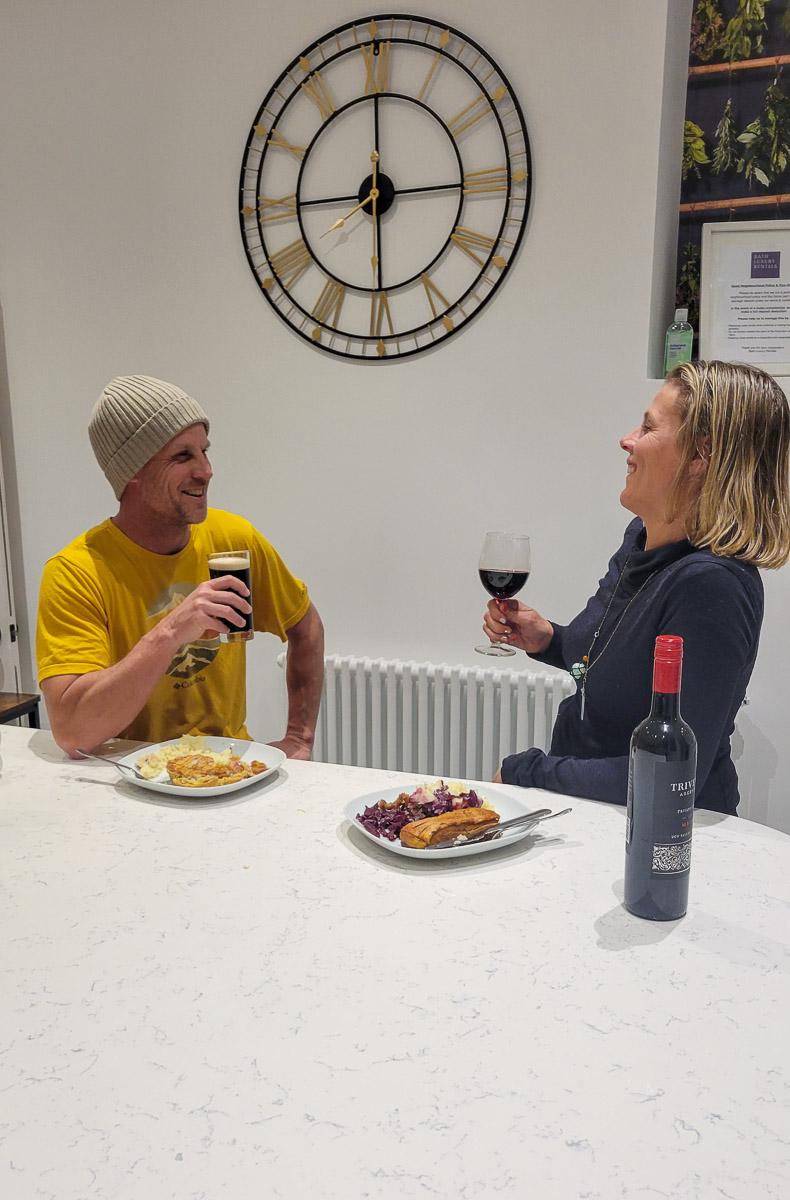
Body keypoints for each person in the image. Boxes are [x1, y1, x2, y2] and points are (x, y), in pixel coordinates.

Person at [482, 360, 790, 814]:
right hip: (601, 814)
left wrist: (530, 771)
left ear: (700, 458)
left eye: (647, 427)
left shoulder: (711, 586)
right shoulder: (642, 540)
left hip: (663, 838)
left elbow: (669, 773)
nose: (627, 440)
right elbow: (610, 661)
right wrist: (550, 639)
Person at [37, 375, 324, 758]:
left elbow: (306, 628)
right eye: (183, 456)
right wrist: (171, 630)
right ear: (132, 471)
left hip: (231, 773)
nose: (206, 471)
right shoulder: (75, 572)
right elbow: (72, 733)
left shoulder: (234, 541)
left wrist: (300, 739)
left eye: (205, 451)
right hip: (127, 782)